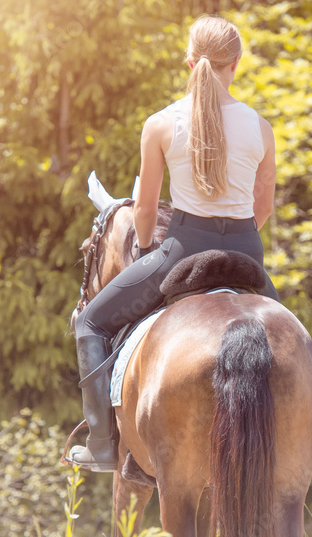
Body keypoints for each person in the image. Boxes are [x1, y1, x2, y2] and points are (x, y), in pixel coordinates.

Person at [65, 15, 280, 472]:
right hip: (247, 252)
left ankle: (102, 446)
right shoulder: (261, 128)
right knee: (290, 339)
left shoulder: (161, 124)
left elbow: (144, 211)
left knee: (90, 323)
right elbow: (263, 206)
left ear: (189, 61)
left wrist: (145, 251)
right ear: (235, 64)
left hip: (183, 251)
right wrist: (239, 237)